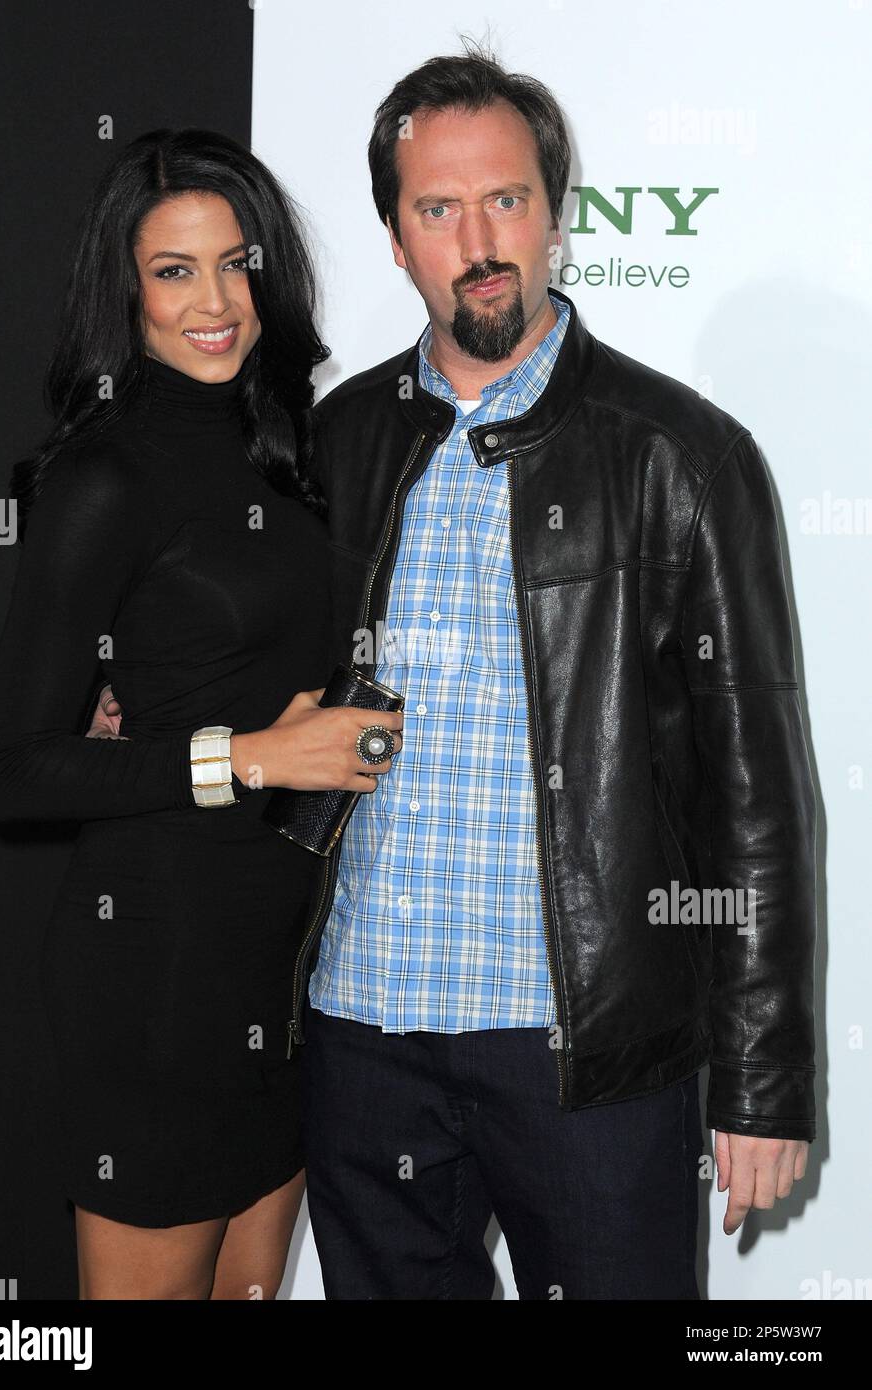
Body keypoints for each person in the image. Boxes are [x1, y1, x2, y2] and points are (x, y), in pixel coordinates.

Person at [292, 44, 817, 1299]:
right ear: (395, 235)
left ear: (555, 212)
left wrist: (762, 1077)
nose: (478, 239)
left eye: (507, 199)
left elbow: (756, 790)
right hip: (364, 1035)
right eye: (438, 208)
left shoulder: (680, 454)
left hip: (587, 1049)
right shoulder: (332, 442)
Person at [0, 128, 403, 1300]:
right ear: (126, 290)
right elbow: (12, 771)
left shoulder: (290, 450)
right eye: (174, 271)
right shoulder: (102, 476)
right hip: (153, 978)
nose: (215, 302)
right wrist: (251, 753)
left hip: (283, 977)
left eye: (237, 262)